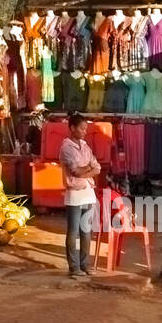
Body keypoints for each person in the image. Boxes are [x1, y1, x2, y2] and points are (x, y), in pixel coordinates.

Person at [59, 112, 101, 277]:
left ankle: (85, 265)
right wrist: (88, 170)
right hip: (74, 193)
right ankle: (74, 267)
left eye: (86, 128)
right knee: (73, 231)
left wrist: (86, 171)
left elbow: (96, 166)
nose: (85, 131)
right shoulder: (66, 148)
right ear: (72, 128)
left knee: (86, 230)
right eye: (82, 128)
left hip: (88, 192)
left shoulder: (85, 146)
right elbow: (75, 171)